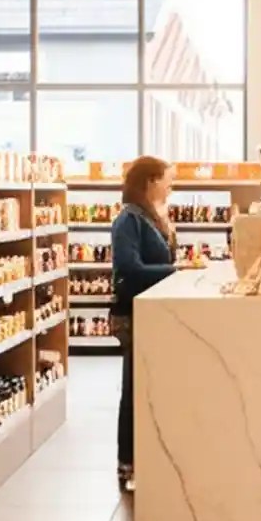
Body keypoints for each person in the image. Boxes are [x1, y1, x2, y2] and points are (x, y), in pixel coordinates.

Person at [110, 155, 184, 492]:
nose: (171, 187)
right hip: (133, 314)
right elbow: (129, 268)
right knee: (133, 388)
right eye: (168, 180)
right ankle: (127, 463)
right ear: (151, 181)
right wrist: (177, 271)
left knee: (145, 385)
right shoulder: (128, 219)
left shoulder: (152, 217)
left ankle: (148, 458)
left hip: (151, 313)